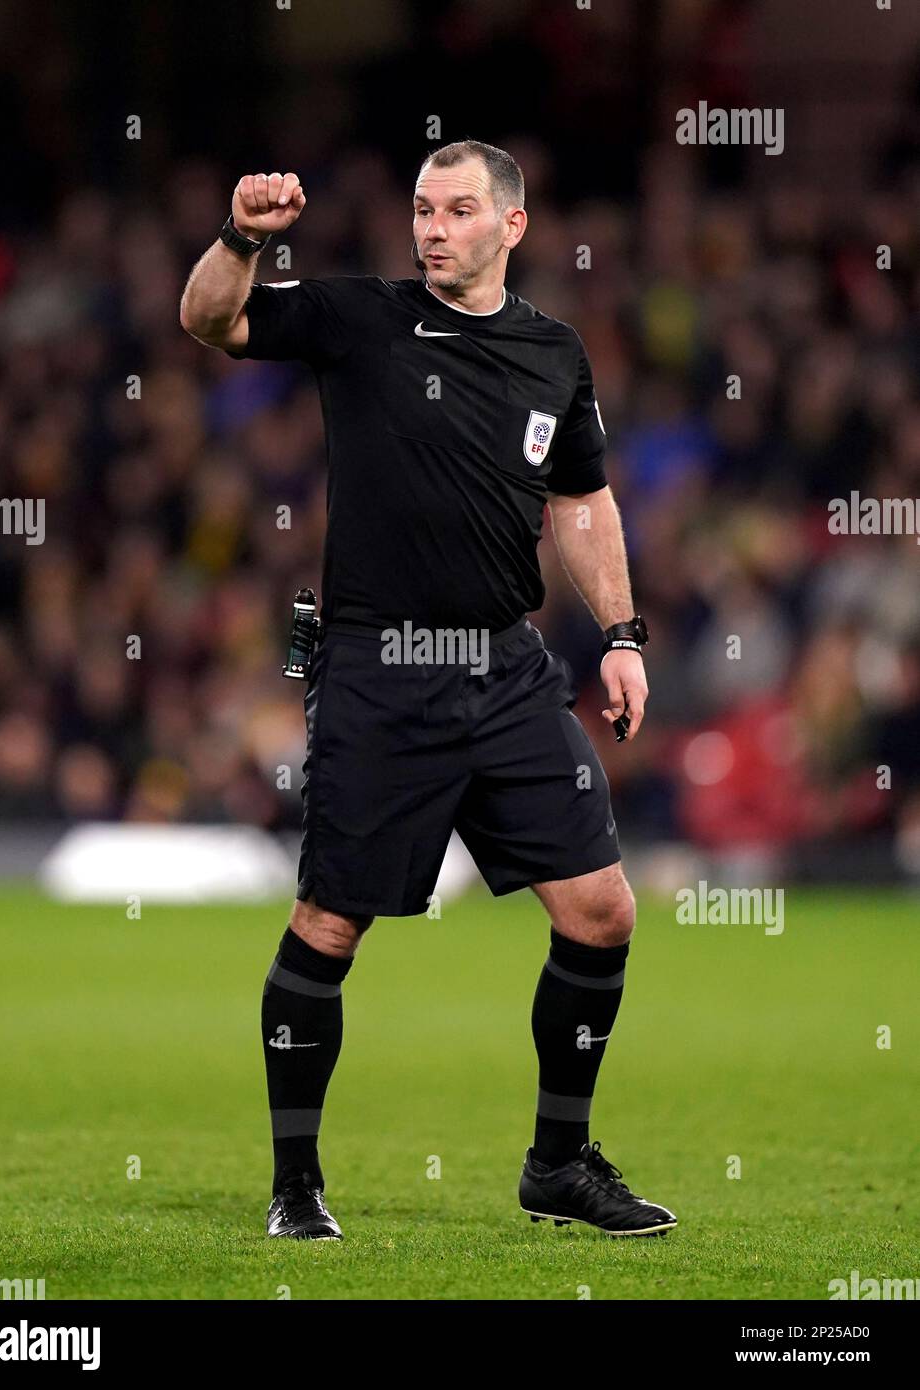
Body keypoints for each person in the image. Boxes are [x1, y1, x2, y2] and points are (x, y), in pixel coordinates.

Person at [180, 140, 677, 1241]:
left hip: (506, 669)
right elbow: (211, 323)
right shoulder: (360, 319)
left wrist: (621, 634)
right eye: (420, 208)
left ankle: (557, 1162)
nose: (431, 227)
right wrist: (239, 241)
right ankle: (296, 1182)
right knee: (329, 923)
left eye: (456, 209)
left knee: (600, 913)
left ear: (512, 225)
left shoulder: (555, 352)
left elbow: (581, 502)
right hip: (377, 666)